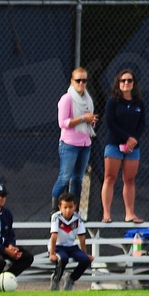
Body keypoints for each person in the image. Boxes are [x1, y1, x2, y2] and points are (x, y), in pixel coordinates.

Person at [100, 69, 146, 223]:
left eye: (129, 80)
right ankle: (106, 214)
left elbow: (142, 124)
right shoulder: (113, 101)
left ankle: (130, 214)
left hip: (133, 147)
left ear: (134, 84)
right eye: (123, 81)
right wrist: (126, 138)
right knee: (110, 178)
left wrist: (134, 140)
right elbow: (110, 123)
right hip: (114, 144)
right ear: (118, 83)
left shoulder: (139, 103)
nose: (126, 83)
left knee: (129, 179)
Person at [53, 68, 96, 204]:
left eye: (84, 80)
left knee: (78, 179)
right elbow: (63, 123)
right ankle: (55, 209)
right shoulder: (66, 99)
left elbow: (88, 123)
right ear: (72, 81)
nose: (81, 83)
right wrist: (83, 118)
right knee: (65, 178)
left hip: (85, 144)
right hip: (69, 144)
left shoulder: (87, 100)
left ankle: (74, 209)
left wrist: (91, 121)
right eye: (78, 80)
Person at [48, 193, 93, 291]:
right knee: (63, 259)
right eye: (65, 207)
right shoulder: (56, 217)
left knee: (86, 260)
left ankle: (71, 279)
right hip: (58, 247)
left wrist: (84, 253)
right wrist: (51, 253)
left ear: (75, 207)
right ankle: (56, 279)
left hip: (71, 247)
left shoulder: (77, 218)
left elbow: (82, 237)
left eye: (70, 207)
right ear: (60, 207)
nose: (68, 210)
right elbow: (54, 236)